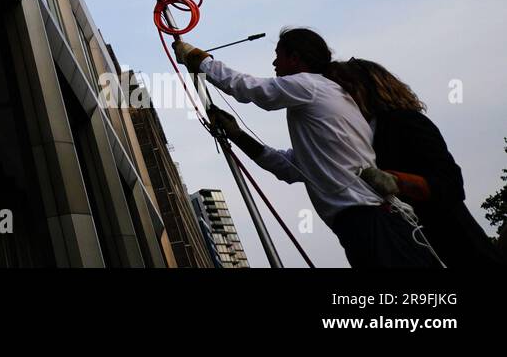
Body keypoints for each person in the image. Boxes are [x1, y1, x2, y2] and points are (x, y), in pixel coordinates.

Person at [174, 26, 436, 267]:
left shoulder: (310, 85)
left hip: (370, 220)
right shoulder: (325, 95)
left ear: (297, 58)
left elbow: (252, 90)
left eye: (279, 56)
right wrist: (240, 136)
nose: (275, 62)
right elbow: (291, 168)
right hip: (366, 221)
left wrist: (200, 60)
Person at [330, 58, 502, 267]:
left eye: (342, 91)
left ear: (360, 89)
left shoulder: (404, 121)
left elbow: (451, 184)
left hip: (455, 248)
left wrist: (396, 181)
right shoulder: (360, 137)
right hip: (406, 248)